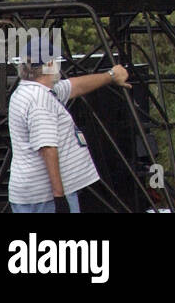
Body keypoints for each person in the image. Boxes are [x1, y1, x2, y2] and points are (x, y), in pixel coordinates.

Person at [7, 37, 132, 212]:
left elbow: (75, 86)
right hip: (46, 196)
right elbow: (48, 148)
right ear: (50, 63)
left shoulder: (30, 91)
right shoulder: (40, 100)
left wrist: (110, 76)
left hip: (31, 192)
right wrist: (59, 197)